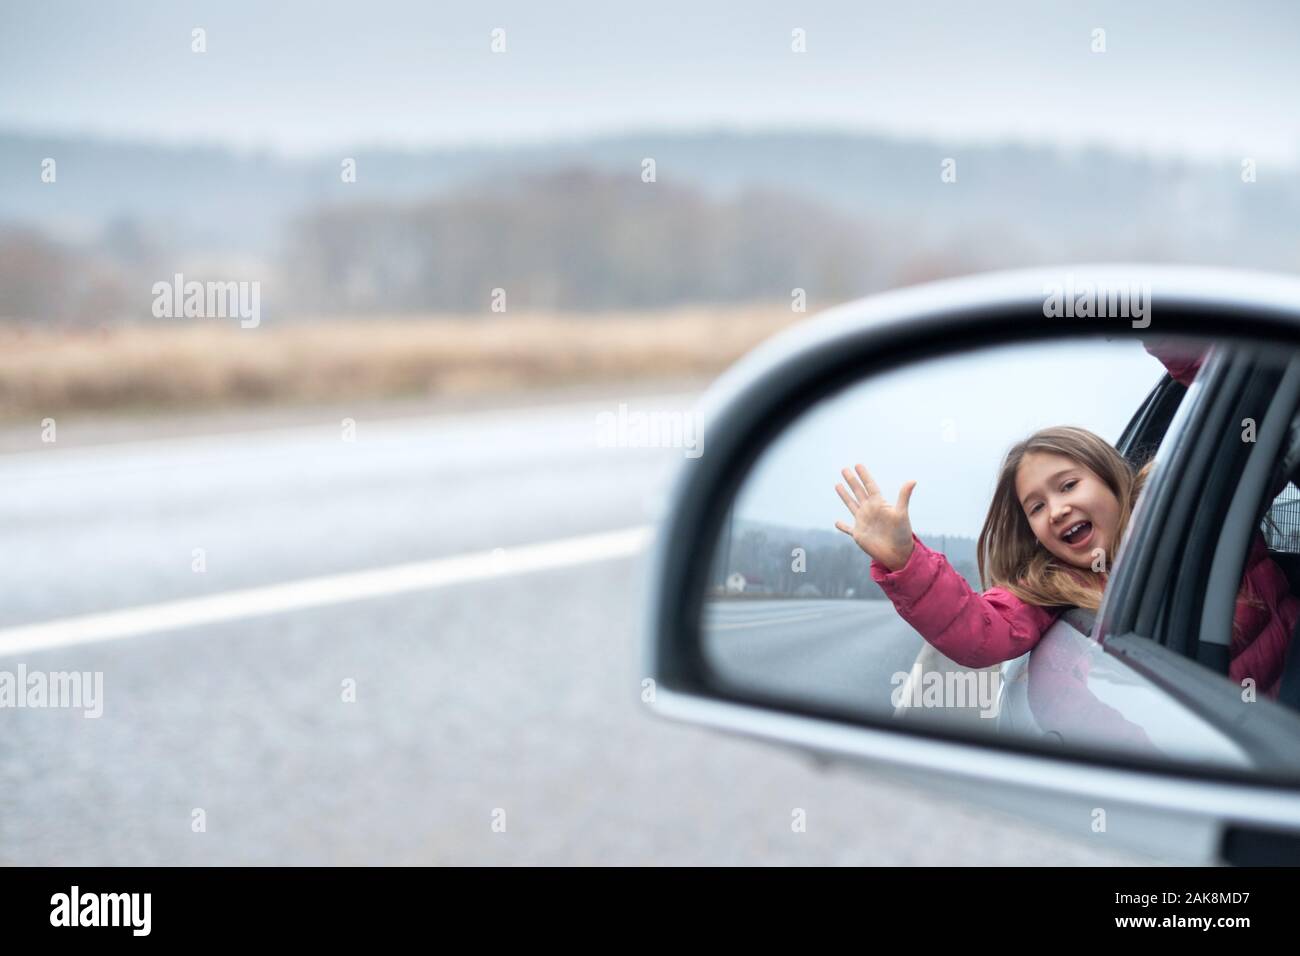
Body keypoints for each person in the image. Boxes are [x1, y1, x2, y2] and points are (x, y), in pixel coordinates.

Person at [833, 358, 1299, 701]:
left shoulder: (1200, 511)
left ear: (1114, 481)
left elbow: (1245, 407)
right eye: (1036, 506)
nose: (1056, 510)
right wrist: (904, 561)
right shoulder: (1056, 587)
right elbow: (981, 631)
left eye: (1069, 485)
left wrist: (1181, 337)